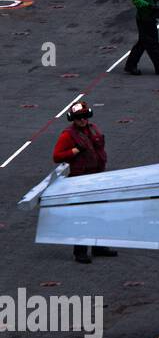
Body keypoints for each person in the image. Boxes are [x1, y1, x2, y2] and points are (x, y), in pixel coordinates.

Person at [52, 101, 117, 264]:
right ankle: (80, 251)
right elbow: (57, 156)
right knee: (82, 216)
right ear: (72, 119)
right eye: (79, 117)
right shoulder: (67, 135)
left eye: (84, 116)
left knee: (99, 213)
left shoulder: (93, 128)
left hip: (96, 177)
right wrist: (75, 151)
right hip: (79, 181)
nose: (82, 120)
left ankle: (98, 247)